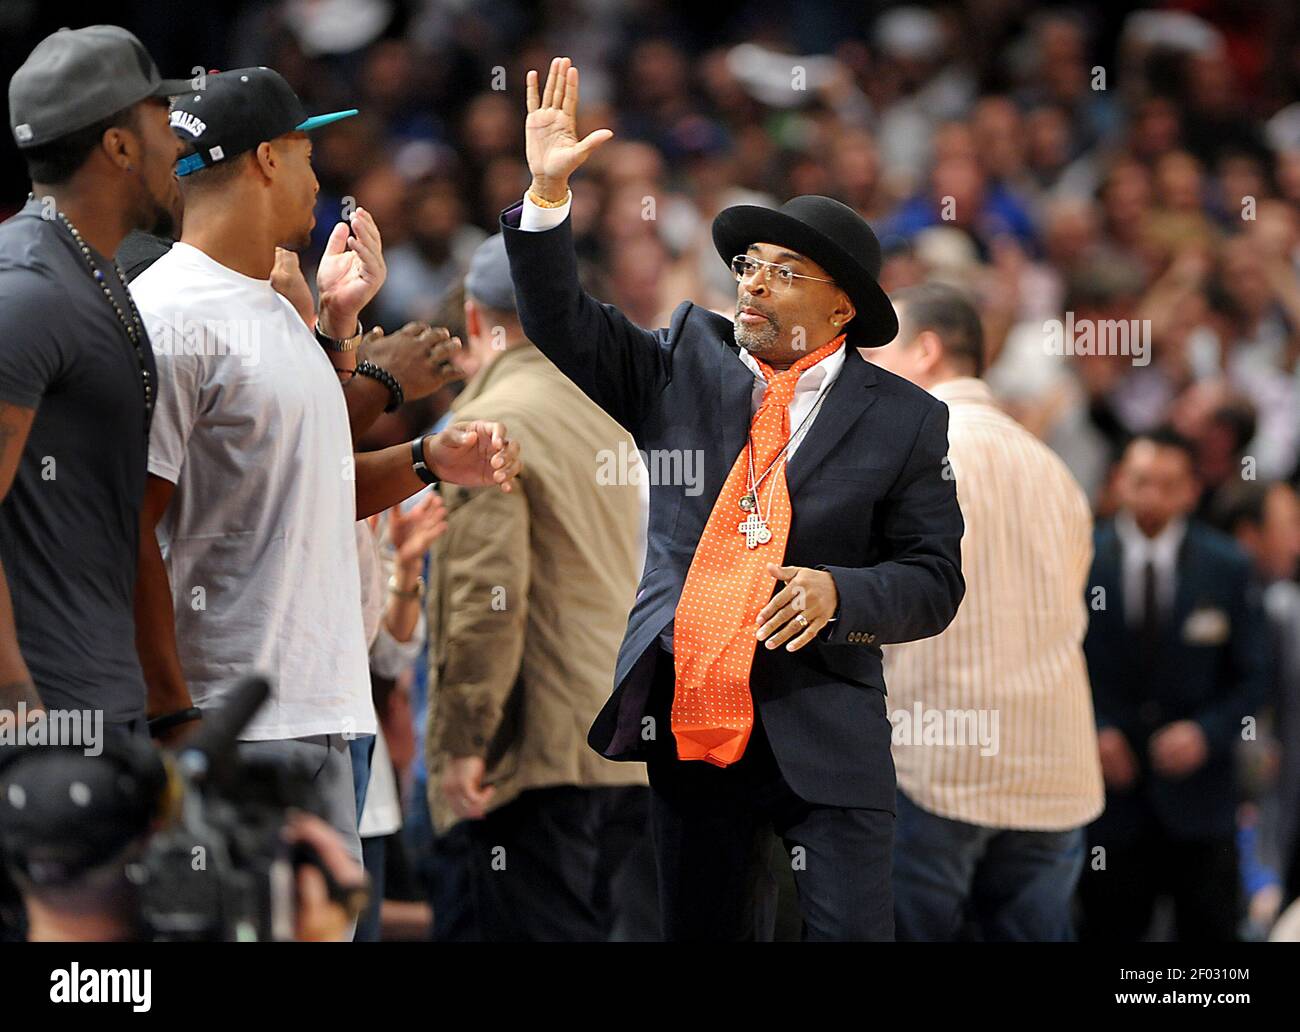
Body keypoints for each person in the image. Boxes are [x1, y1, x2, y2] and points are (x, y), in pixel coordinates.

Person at [501, 57, 965, 940]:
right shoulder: (682, 358)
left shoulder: (908, 420)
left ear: (841, 308)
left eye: (784, 272)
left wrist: (842, 593)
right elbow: (560, 320)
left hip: (826, 733)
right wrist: (548, 194)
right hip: (690, 718)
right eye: (750, 265)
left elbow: (935, 580)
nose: (751, 282)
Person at [128, 67, 521, 869]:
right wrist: (174, 717)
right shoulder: (167, 317)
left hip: (326, 706)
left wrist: (423, 458)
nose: (320, 177)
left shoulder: (274, 302)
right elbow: (127, 530)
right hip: (233, 717)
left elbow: (310, 485)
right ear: (267, 159)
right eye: (307, 154)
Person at [424, 234, 657, 941]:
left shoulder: (481, 427)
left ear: (472, 319)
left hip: (537, 751)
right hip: (624, 745)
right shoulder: (618, 417)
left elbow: (486, 597)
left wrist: (466, 739)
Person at [867, 283, 1103, 941]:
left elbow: (872, 604)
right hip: (1053, 764)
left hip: (939, 760)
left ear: (926, 351)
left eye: (878, 349)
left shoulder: (907, 449)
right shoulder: (1053, 468)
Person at [0, 26, 189, 738]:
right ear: (119, 147)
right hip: (50, 722)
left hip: (109, 709)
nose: (178, 146)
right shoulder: (27, 288)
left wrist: (169, 706)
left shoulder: (94, 273)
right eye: (163, 123)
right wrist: (17, 714)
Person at [1078, 428, 1271, 941]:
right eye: (1141, 481)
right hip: (1108, 805)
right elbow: (1057, 660)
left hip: (1201, 803)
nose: (1153, 496)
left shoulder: (1226, 565)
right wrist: (1092, 728)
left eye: (1168, 484)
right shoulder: (1080, 558)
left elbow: (1255, 674)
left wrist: (1206, 733)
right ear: (1120, 482)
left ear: (1191, 490)